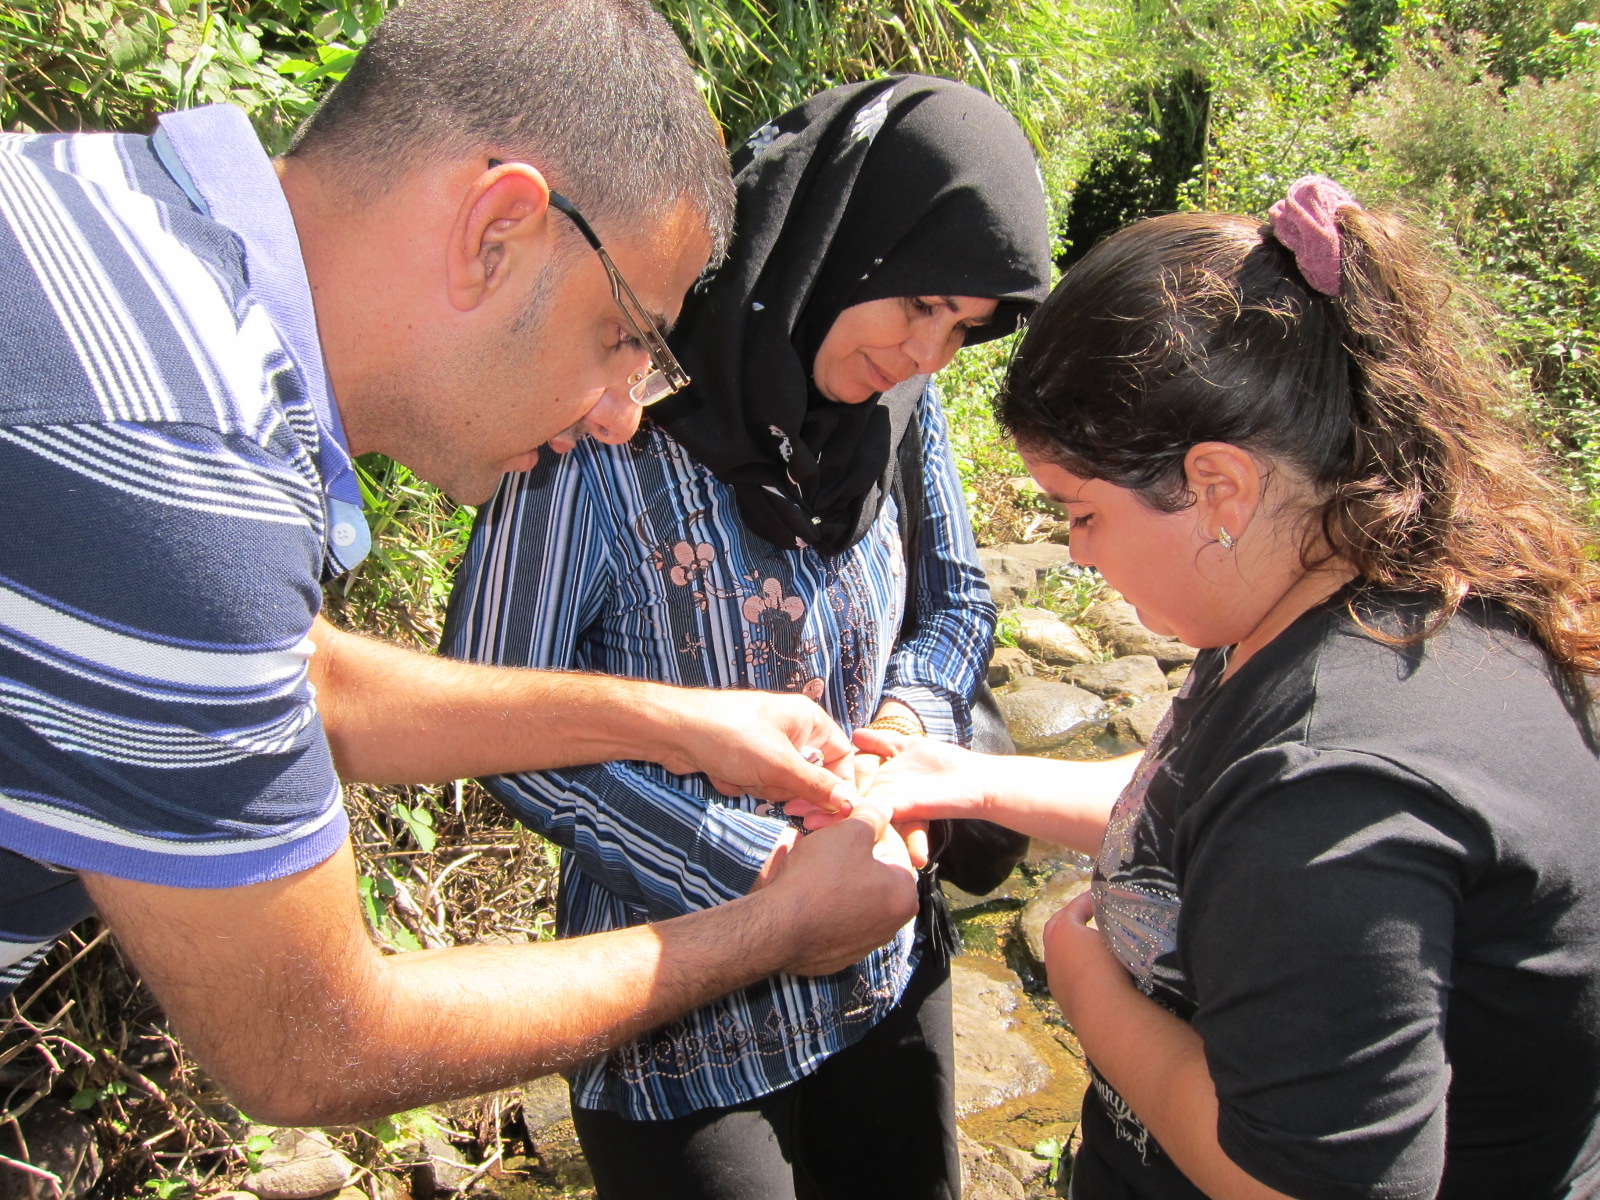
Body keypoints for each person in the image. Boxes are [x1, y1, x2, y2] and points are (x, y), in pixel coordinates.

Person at [0, 0, 923, 1129]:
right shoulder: (184, 459)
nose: (622, 416)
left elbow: (297, 677)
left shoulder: (107, 229)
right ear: (496, 232)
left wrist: (671, 723)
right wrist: (778, 925)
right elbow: (313, 1046)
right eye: (625, 336)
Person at [843, 177, 1600, 1198]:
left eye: (1081, 512)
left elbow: (1290, 1184)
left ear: (1218, 490)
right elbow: (1195, 802)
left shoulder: (1335, 785)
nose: (1076, 552)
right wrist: (970, 780)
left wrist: (1091, 992)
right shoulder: (1359, 597)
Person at [443, 76, 1051, 1199]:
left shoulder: (895, 413)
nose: (927, 353)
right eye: (919, 302)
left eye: (964, 330)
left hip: (880, 962)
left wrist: (904, 730)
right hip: (673, 1009)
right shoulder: (608, 410)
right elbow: (489, 715)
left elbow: (958, 603)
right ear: (843, 240)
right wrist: (762, 871)